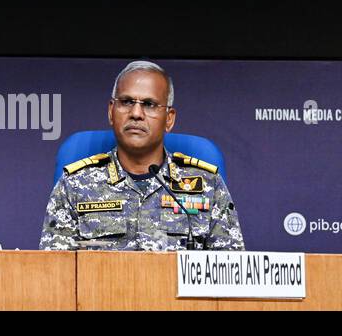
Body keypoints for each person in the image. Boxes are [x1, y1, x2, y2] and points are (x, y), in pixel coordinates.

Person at [40, 60, 243, 251]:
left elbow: (229, 278)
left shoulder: (208, 186)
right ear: (112, 111)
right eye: (127, 102)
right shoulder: (73, 186)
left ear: (169, 119)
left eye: (149, 104)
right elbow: (56, 276)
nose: (136, 113)